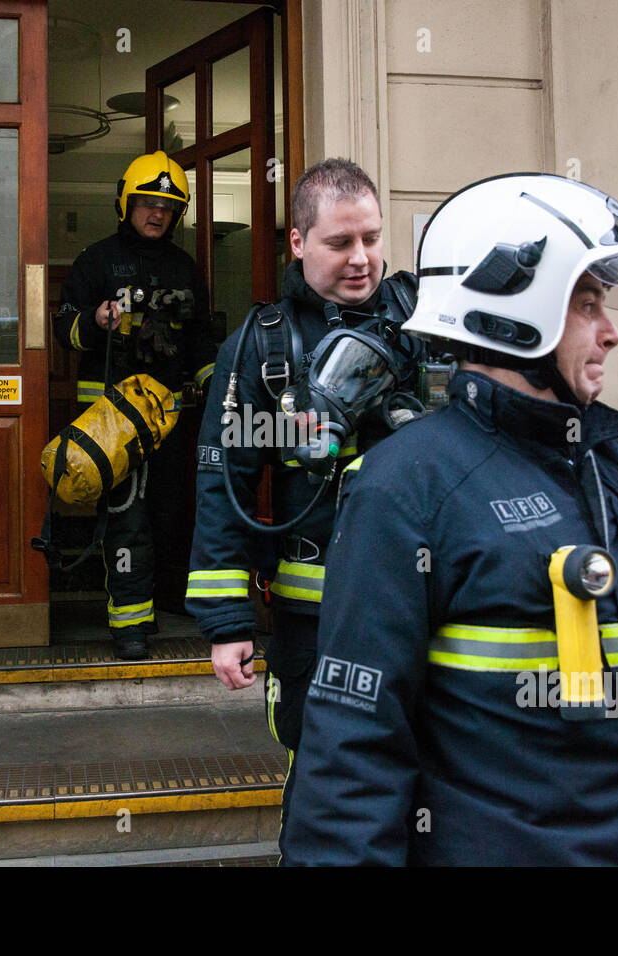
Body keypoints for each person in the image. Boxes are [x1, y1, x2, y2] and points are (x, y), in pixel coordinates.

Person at [283, 173, 618, 866]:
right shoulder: (407, 487)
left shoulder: (604, 463)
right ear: (509, 314)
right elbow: (353, 758)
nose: (612, 334)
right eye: (587, 304)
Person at [186, 158, 422, 844]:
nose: (363, 260)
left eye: (372, 239)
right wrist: (227, 621)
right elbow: (220, 480)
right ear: (296, 242)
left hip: (426, 600)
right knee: (328, 776)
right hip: (317, 617)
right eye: (340, 243)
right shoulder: (260, 350)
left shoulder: (426, 323)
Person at [56, 151, 216, 661]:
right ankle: (131, 625)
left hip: (171, 418)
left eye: (168, 208)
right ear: (126, 203)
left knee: (174, 513)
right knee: (127, 518)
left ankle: (172, 598)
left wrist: (216, 395)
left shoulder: (184, 268)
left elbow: (202, 339)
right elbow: (63, 327)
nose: (157, 215)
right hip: (112, 422)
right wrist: (95, 319)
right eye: (148, 203)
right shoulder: (96, 260)